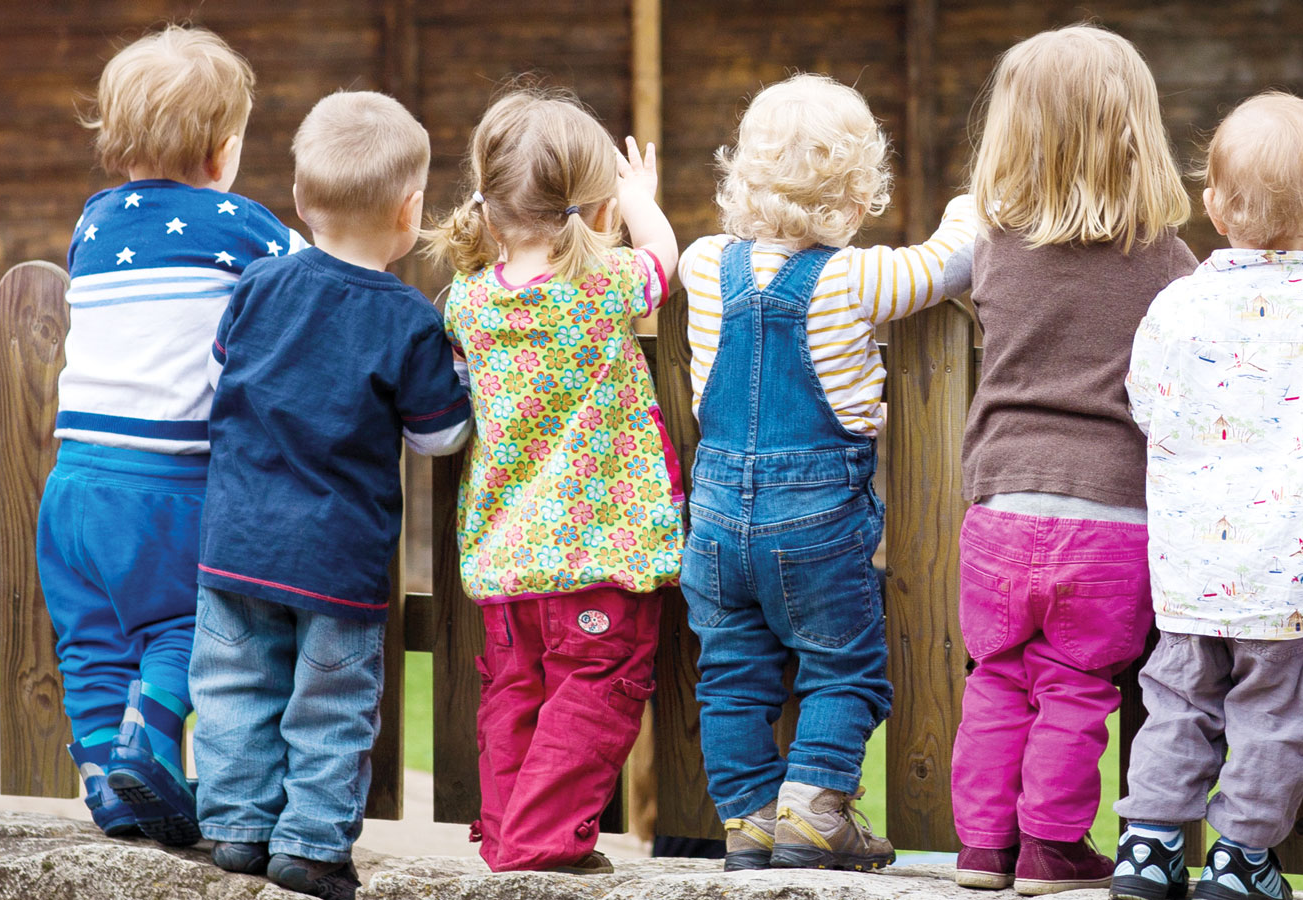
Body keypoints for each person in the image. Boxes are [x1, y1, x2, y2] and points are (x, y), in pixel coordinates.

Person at [1109, 92, 1303, 900]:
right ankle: (1240, 858)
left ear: (1212, 205)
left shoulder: (1175, 306)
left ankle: (1147, 845)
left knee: (1176, 699)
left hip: (1190, 565)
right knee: (1276, 713)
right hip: (1300, 570)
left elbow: (1144, 405)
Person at [672, 73, 982, 872]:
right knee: (844, 667)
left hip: (711, 525)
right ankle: (813, 810)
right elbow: (947, 265)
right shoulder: (853, 280)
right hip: (813, 524)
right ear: (854, 195)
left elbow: (667, 262)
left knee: (731, 678)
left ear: (741, 177)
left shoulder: (706, 265)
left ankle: (747, 821)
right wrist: (970, 206)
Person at [190, 91, 471, 900]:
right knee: (331, 703)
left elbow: (220, 376)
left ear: (302, 199)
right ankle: (310, 846)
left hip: (236, 541)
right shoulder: (409, 321)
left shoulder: (257, 286)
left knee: (233, 688)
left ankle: (238, 828)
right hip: (337, 559)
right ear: (412, 209)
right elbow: (439, 435)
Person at [946, 24, 1203, 895]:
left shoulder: (992, 250)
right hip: (1110, 518)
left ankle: (984, 849)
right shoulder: (1170, 263)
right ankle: (1052, 849)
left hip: (999, 510)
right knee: (1076, 687)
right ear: (1138, 132)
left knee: (996, 681)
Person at [38, 24, 298, 846]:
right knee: (185, 624)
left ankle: (103, 783)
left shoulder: (92, 225)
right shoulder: (246, 227)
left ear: (114, 141)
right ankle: (148, 741)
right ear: (224, 151)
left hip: (73, 482)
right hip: (169, 480)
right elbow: (313, 287)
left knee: (89, 637)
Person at [430, 86, 680, 877]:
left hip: (507, 561)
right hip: (601, 555)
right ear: (593, 203)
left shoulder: (467, 302)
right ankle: (538, 850)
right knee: (594, 694)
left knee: (514, 697)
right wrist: (641, 202)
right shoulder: (602, 287)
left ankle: (509, 837)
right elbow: (665, 263)